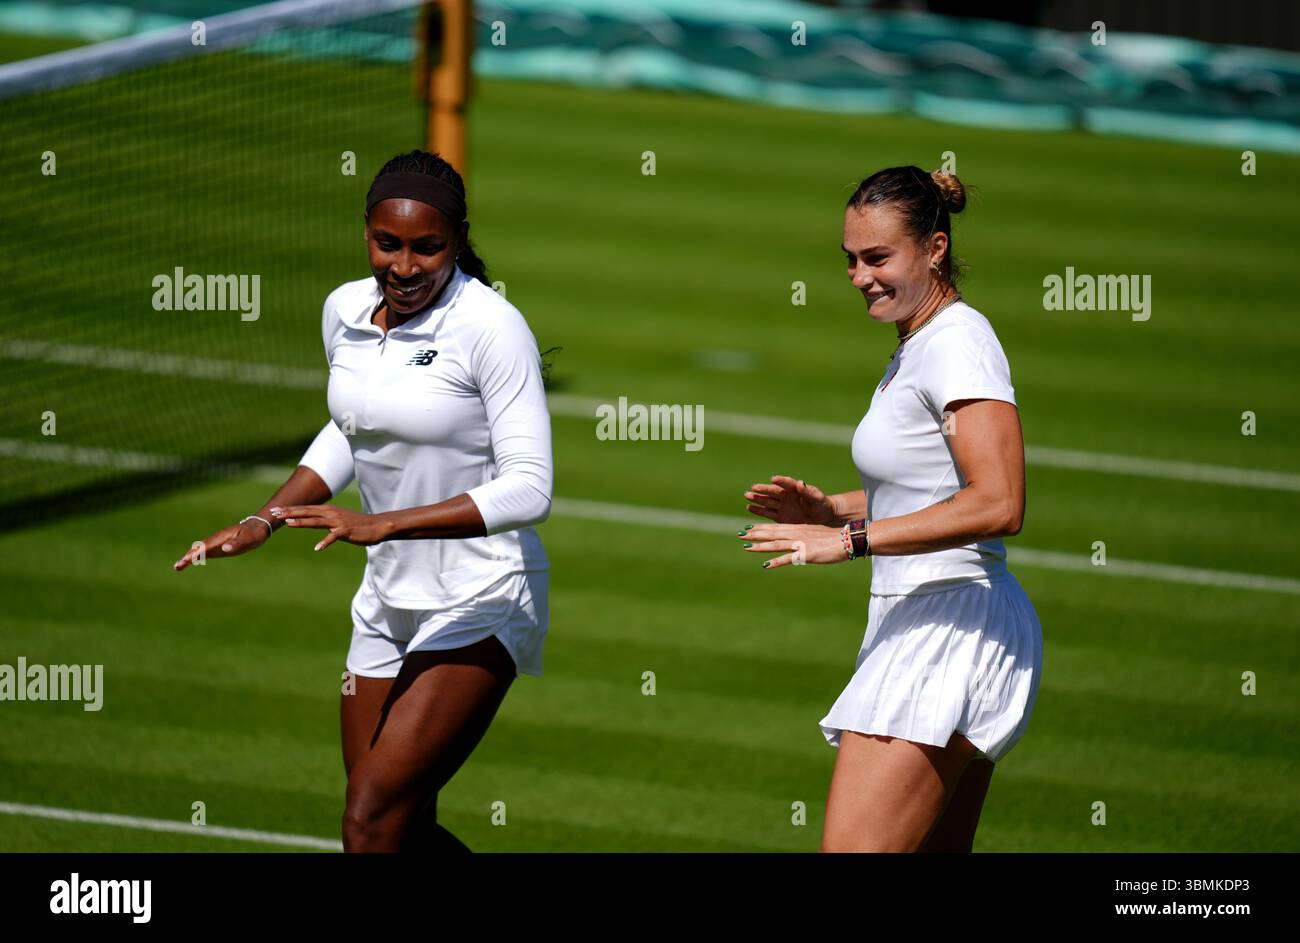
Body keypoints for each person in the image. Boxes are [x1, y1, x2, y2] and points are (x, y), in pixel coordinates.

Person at [173, 149, 552, 853]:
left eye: (427, 248)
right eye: (387, 244)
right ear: (366, 234)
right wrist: (265, 518)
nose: (403, 267)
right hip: (386, 602)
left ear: (458, 241)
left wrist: (383, 524)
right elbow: (354, 427)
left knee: (369, 819)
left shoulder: (492, 328)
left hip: (483, 595)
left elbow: (531, 487)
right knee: (398, 827)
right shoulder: (343, 311)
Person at [738, 165, 1042, 852]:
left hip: (946, 629)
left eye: (878, 258)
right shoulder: (920, 343)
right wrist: (830, 509)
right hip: (938, 620)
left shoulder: (957, 343)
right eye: (850, 259)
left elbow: (999, 500)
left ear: (935, 249)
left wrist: (850, 540)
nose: (859, 276)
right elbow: (931, 484)